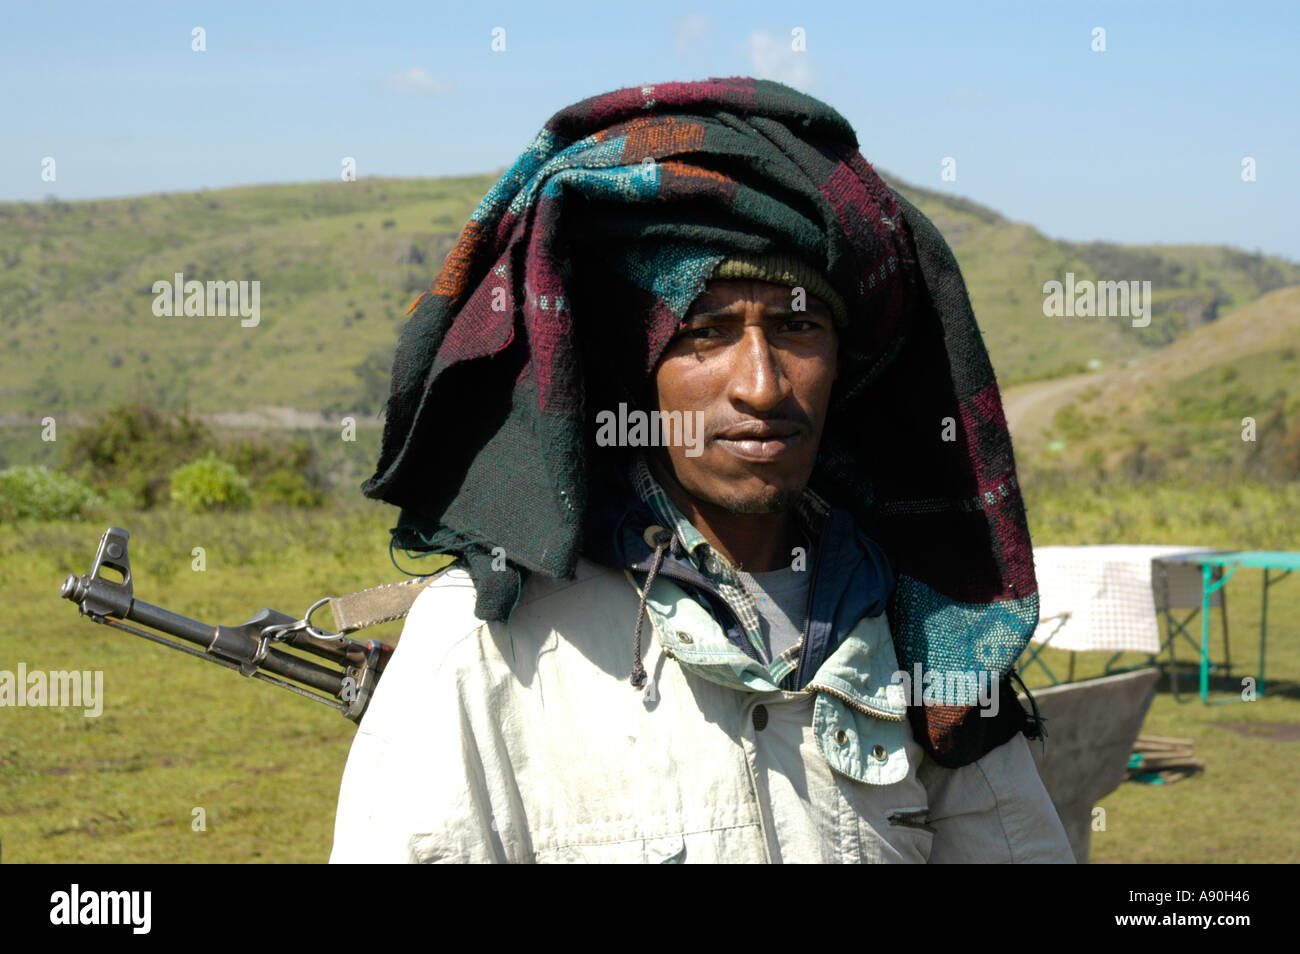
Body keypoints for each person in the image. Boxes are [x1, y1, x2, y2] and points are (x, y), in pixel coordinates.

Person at [329, 77, 1074, 863]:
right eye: (706, 333)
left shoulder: (928, 629)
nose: (762, 385)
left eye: (798, 325)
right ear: (632, 371)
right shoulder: (485, 645)